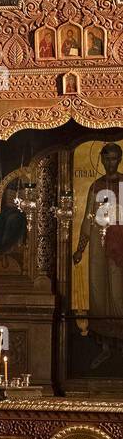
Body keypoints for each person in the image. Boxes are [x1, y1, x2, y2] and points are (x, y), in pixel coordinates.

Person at [73, 142, 123, 368]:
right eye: (107, 158)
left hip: (120, 245)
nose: (110, 162)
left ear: (119, 159)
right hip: (98, 246)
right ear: (102, 160)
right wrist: (80, 249)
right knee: (98, 292)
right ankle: (104, 347)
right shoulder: (96, 186)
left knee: (118, 292)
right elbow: (87, 219)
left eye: (114, 158)